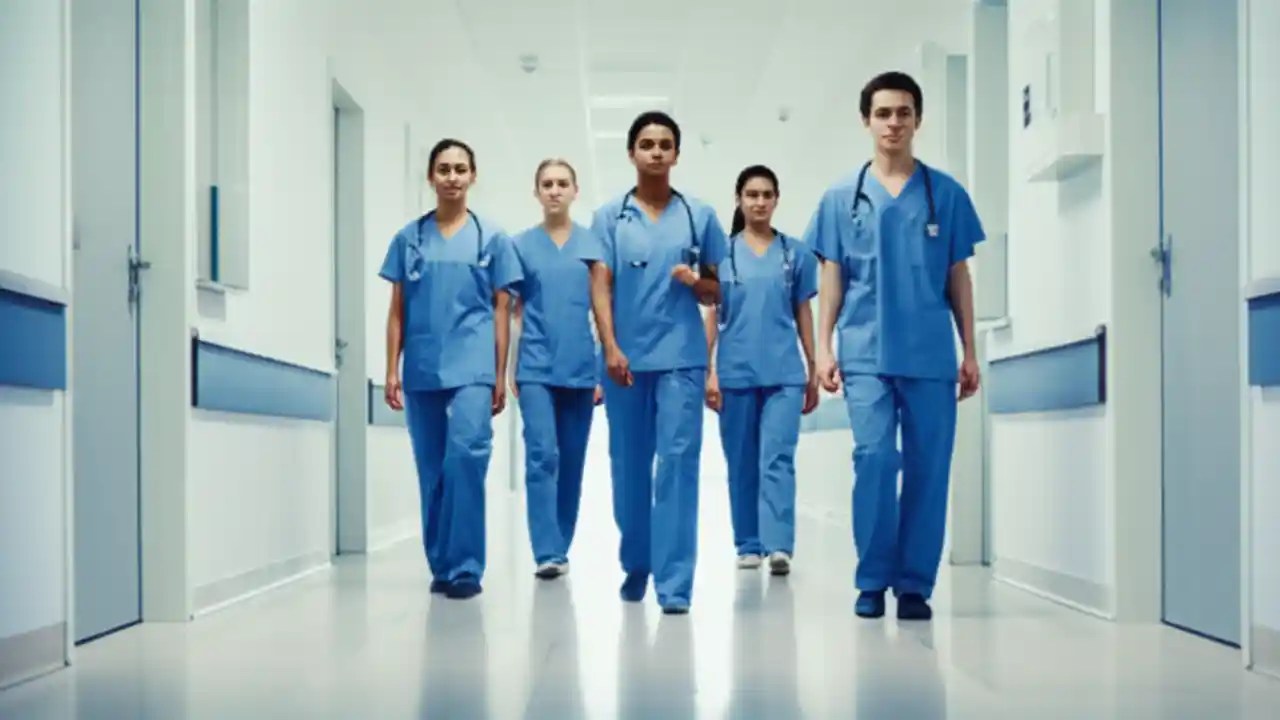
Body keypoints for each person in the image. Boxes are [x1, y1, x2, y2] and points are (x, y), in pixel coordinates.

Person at [804, 71, 983, 621]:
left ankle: (913, 585)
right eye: (883, 113)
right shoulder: (841, 198)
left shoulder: (945, 194)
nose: (894, 123)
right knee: (876, 459)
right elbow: (832, 276)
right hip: (865, 352)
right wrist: (824, 349)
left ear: (917, 120)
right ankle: (872, 578)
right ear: (866, 121)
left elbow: (958, 276)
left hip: (930, 354)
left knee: (930, 468)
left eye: (904, 112)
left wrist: (970, 350)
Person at [584, 110, 728, 614]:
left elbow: (717, 291)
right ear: (631, 153)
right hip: (625, 361)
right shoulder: (609, 218)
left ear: (676, 154)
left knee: (678, 465)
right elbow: (600, 286)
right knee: (628, 467)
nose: (656, 151)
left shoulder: (700, 216)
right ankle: (638, 561)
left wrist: (696, 282)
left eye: (666, 144)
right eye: (647, 144)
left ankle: (675, 583)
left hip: (681, 359)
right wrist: (609, 345)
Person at [379, 138, 522, 600]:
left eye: (461, 169)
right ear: (431, 177)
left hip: (474, 366)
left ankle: (465, 567)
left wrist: (499, 373)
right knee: (431, 468)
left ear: (473, 176)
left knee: (466, 457)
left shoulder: (492, 239)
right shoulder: (409, 239)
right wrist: (391, 369)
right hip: (422, 366)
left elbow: (502, 311)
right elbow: (397, 310)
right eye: (444, 169)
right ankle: (441, 563)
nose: (452, 177)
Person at [704, 165, 820, 576]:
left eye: (766, 195)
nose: (759, 202)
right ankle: (749, 543)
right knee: (741, 461)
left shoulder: (795, 254)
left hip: (784, 373)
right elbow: (712, 315)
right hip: (735, 372)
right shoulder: (720, 256)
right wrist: (708, 370)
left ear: (776, 200)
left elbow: (803, 311)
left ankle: (779, 544)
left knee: (778, 457)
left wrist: (813, 365)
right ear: (739, 200)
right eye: (751, 195)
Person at [509, 158, 604, 580]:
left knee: (572, 459)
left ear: (575, 191)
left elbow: (603, 313)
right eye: (546, 184)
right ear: (536, 192)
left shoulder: (592, 246)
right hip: (534, 366)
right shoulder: (520, 246)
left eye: (562, 183)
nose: (554, 190)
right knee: (541, 454)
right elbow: (511, 311)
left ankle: (560, 545)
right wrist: (509, 366)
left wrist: (602, 370)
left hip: (581, 367)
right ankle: (546, 550)